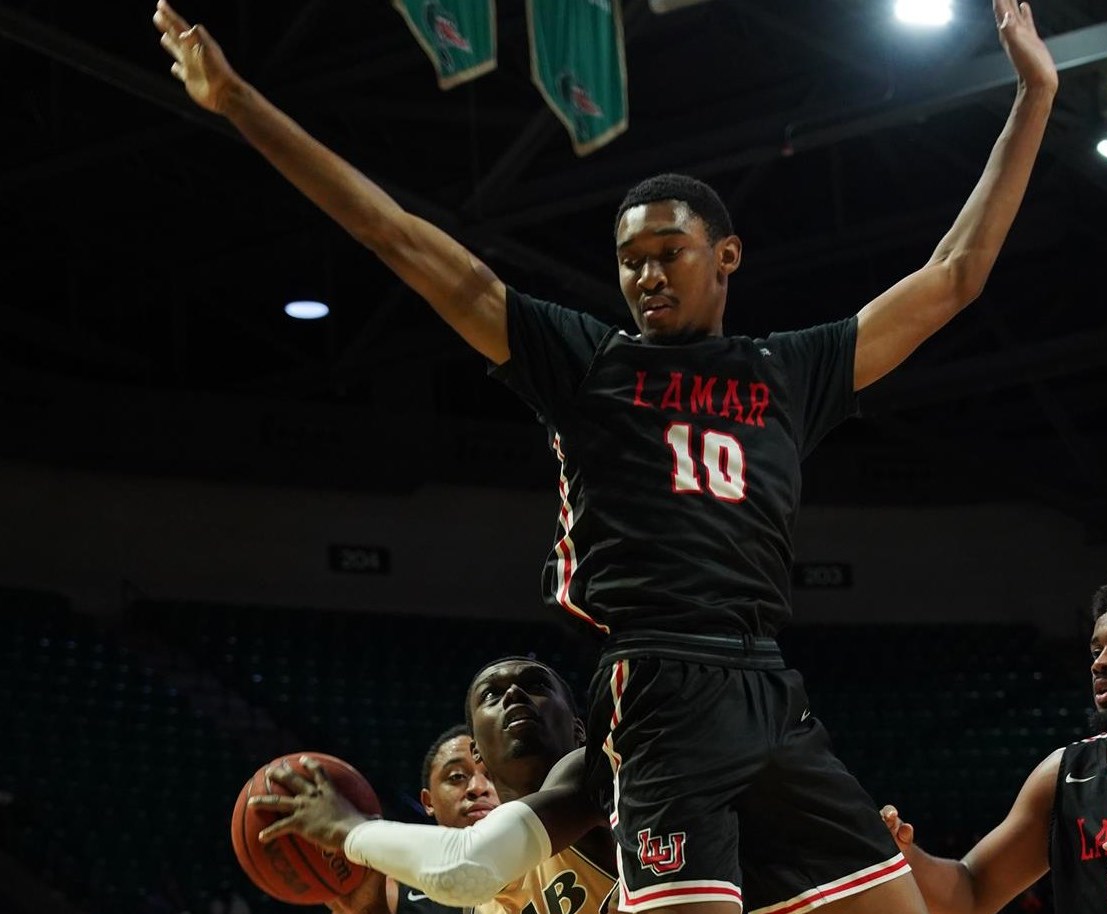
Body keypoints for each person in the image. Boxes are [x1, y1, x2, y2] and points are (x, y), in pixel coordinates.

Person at [151, 2, 1058, 910]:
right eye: (630, 261)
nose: (648, 275)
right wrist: (239, 103)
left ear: (726, 256)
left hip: (767, 685)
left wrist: (1034, 92)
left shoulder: (792, 369)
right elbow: (396, 235)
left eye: (670, 253)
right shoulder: (587, 362)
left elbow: (954, 276)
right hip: (658, 683)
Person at [259, 656, 616, 914]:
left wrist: (348, 829)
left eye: (535, 686)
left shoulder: (593, 771)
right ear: (476, 748)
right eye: (492, 694)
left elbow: (464, 863)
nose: (513, 696)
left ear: (578, 729)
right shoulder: (477, 903)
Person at [880, 571, 1107, 914]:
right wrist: (904, 854)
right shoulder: (1066, 776)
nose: (1100, 663)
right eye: (1095, 650)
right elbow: (972, 893)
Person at [328, 723, 501, 914]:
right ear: (428, 802)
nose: (477, 787)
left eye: (493, 775)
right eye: (456, 776)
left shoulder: (538, 860)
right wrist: (370, 911)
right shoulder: (392, 886)